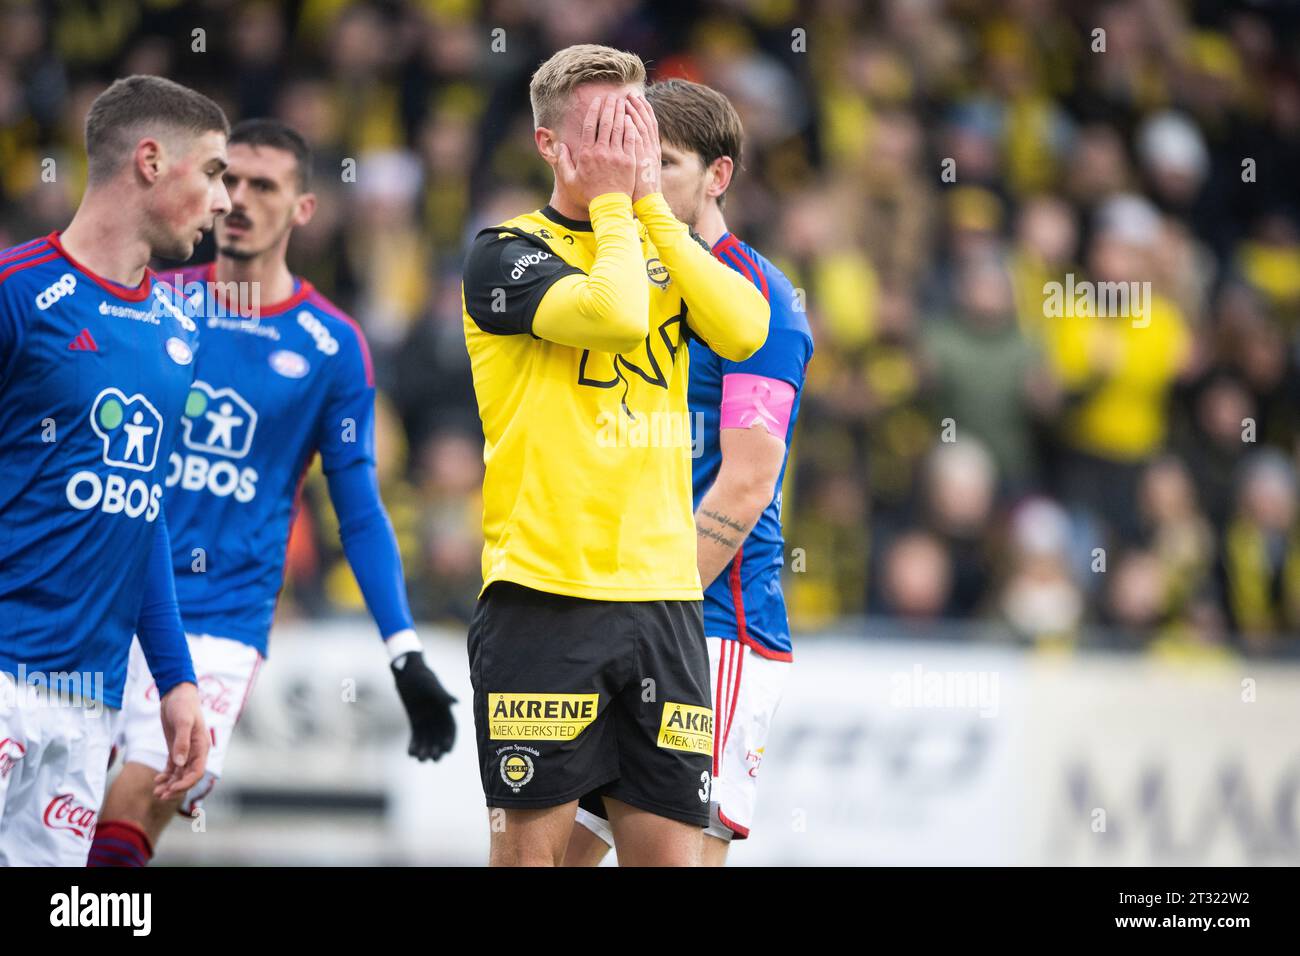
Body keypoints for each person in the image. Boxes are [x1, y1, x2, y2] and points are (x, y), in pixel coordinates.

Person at [88, 119, 457, 867]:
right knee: (53, 825)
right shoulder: (150, 303)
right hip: (101, 595)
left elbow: (359, 512)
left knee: (130, 816)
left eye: (265, 185)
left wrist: (404, 649)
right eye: (229, 180)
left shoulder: (331, 345)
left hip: (219, 625)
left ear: (303, 209)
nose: (241, 199)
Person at [460, 45, 769, 866]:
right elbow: (618, 313)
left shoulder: (658, 246)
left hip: (664, 601)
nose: (629, 148)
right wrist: (614, 208)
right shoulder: (502, 253)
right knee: (535, 860)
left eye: (639, 125)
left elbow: (746, 327)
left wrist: (651, 213)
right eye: (605, 128)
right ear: (549, 144)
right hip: (545, 596)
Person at [565, 78, 813, 866]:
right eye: (633, 162)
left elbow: (746, 482)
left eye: (665, 163)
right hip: (612, 609)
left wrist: (650, 613)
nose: (644, 182)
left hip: (706, 626)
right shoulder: (618, 283)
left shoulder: (759, 300)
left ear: (719, 176)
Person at [0, 75, 228, 866]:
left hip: (85, 703)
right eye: (214, 173)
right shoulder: (17, 296)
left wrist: (176, 681)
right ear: (152, 162)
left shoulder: (177, 329)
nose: (223, 201)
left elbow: (144, 512)